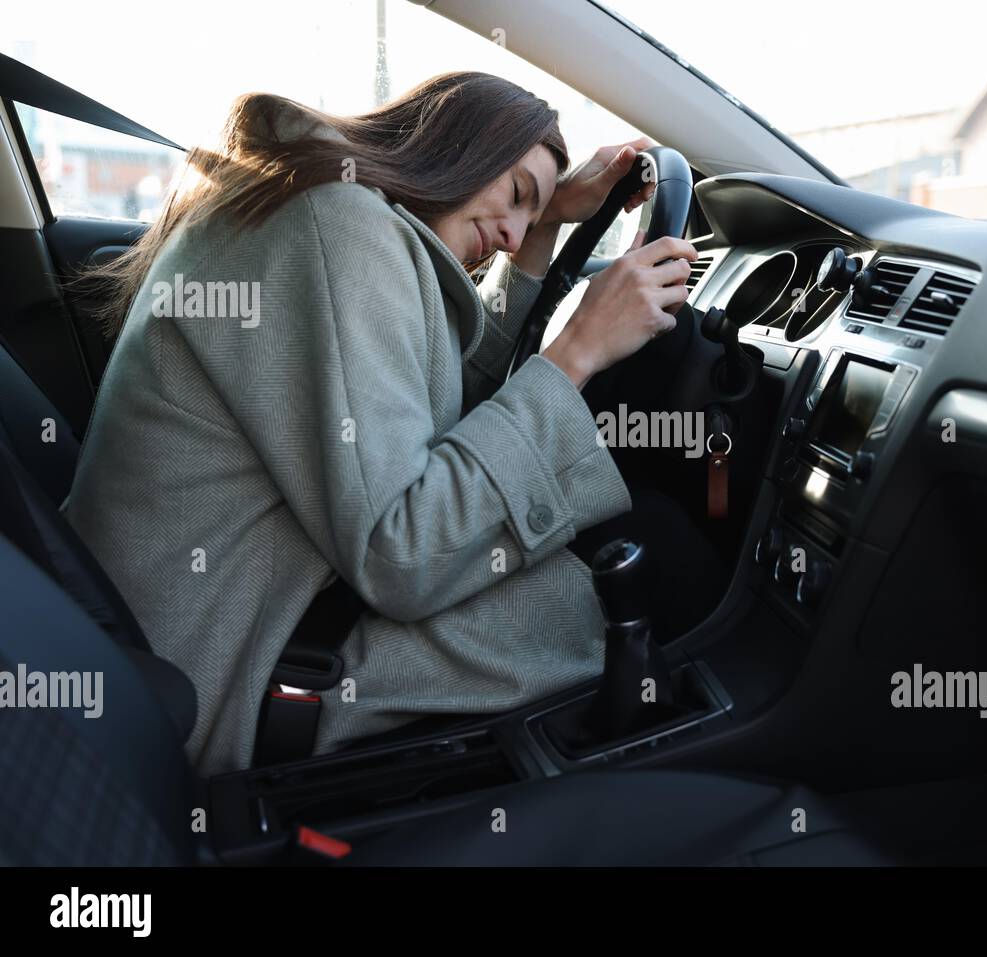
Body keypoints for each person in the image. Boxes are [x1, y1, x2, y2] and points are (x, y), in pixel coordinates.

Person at [61, 72, 700, 777]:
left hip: (215, 629)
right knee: (651, 576)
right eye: (516, 194)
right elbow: (403, 555)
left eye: (530, 216)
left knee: (628, 545)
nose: (513, 231)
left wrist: (544, 223)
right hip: (231, 674)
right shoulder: (337, 227)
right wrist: (578, 352)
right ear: (457, 144)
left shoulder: (326, 210)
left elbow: (435, 395)